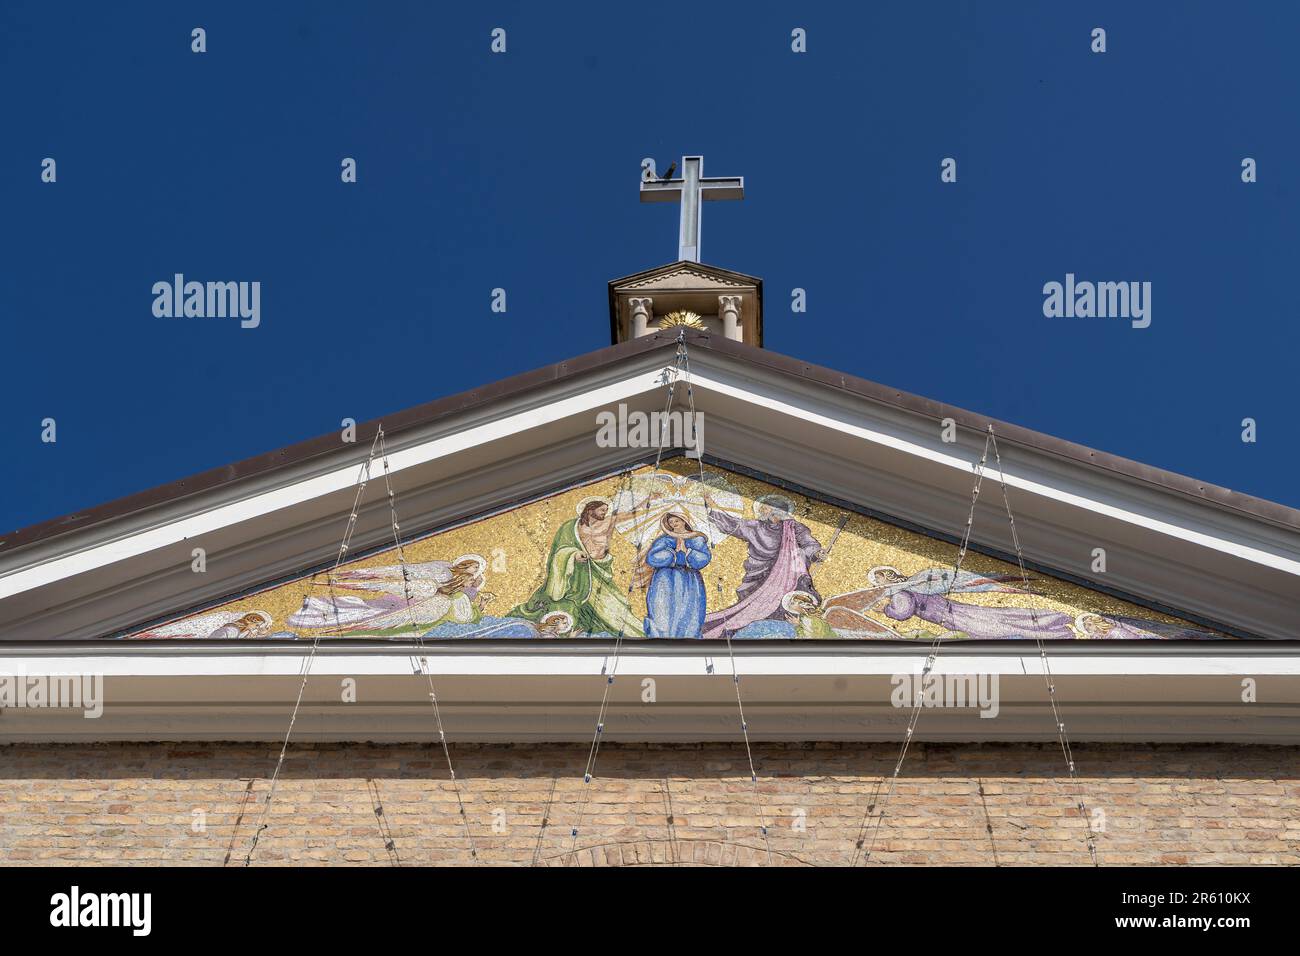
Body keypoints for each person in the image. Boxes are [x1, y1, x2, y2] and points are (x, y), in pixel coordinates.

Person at [509, 497, 645, 637]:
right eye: (602, 510)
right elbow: (559, 549)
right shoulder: (570, 527)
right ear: (591, 509)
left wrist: (648, 501)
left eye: (606, 510)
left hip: (599, 571)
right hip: (576, 573)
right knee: (566, 603)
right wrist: (573, 555)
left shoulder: (607, 522)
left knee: (614, 608)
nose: (605, 512)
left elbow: (630, 515)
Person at [701, 494, 826, 638]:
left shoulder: (794, 527)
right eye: (761, 508)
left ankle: (797, 629)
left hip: (790, 577)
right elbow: (734, 524)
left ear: (776, 510)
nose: (761, 511)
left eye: (765, 508)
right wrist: (713, 506)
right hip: (759, 577)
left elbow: (809, 543)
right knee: (750, 609)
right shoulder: (756, 527)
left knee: (791, 604)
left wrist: (816, 553)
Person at [641, 511, 711, 638]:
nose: (673, 524)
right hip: (664, 580)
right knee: (662, 608)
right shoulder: (664, 540)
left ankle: (688, 638)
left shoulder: (696, 539)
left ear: (684, 521)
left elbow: (704, 558)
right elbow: (652, 558)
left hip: (689, 581)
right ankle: (661, 637)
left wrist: (687, 552)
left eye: (676, 521)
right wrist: (673, 554)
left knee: (688, 610)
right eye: (671, 522)